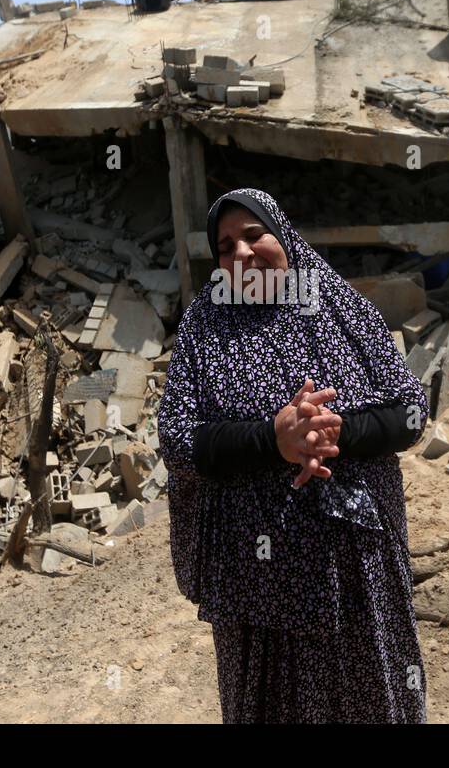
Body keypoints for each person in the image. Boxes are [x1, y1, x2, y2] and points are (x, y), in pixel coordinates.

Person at [158, 188, 429, 723]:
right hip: (252, 573)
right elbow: (176, 438)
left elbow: (411, 412)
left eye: (254, 234)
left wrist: (332, 433)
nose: (242, 254)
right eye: (225, 245)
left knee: (368, 695)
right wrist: (273, 439)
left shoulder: (337, 304)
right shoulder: (202, 326)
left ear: (281, 233)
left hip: (350, 565)